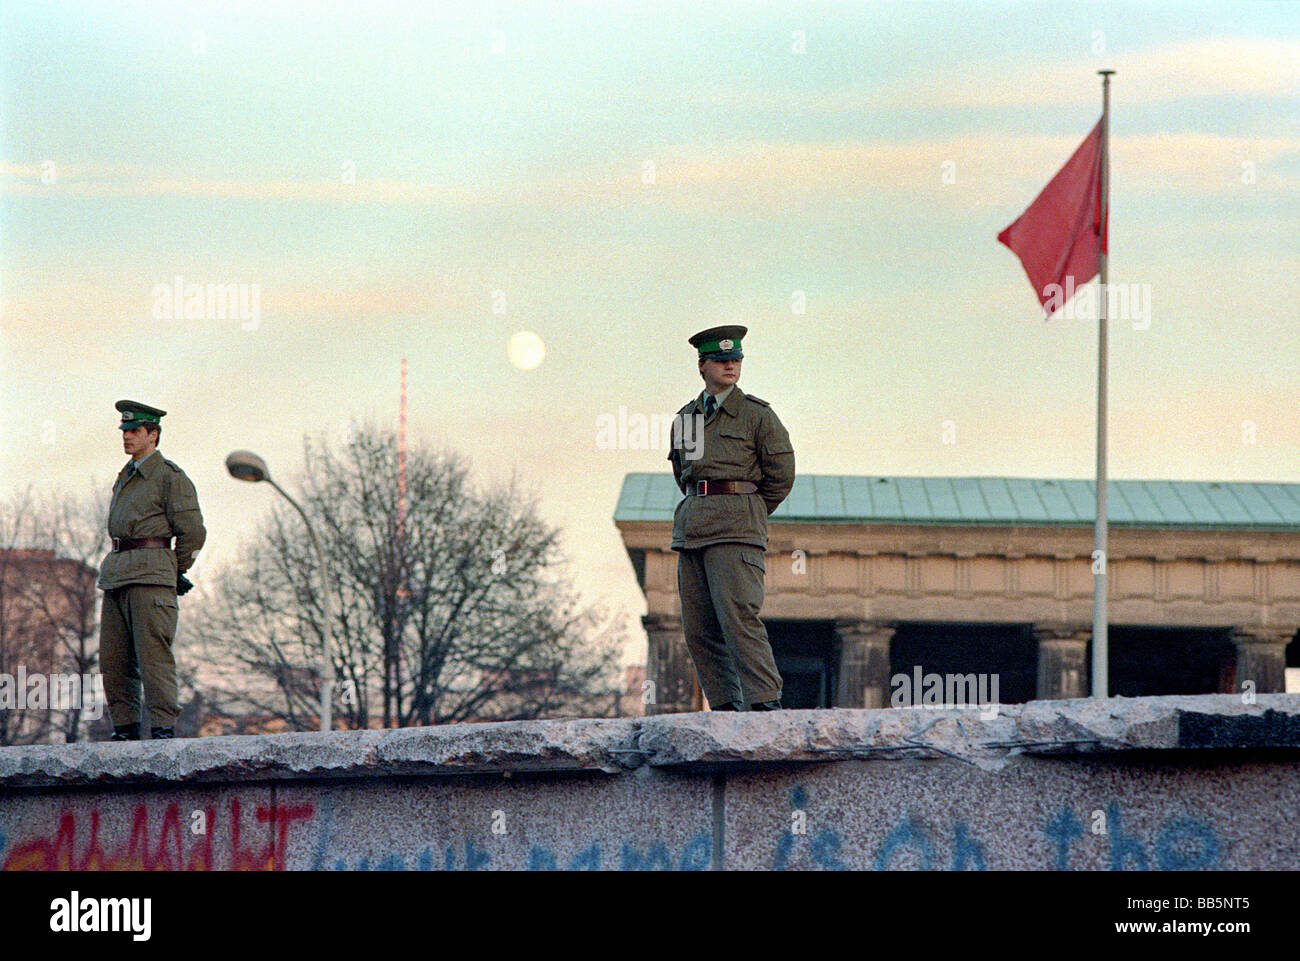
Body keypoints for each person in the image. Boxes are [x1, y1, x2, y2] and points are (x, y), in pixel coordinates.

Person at [667, 326, 795, 711]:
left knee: (739, 619)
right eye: (722, 361)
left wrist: (746, 510)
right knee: (699, 630)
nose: (730, 366)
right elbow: (684, 477)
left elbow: (781, 477)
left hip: (736, 531)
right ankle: (725, 707)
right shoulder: (686, 419)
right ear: (702, 366)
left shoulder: (757, 415)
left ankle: (764, 704)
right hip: (692, 531)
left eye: (736, 360)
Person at [98, 400, 206, 740]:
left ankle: (162, 726)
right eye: (125, 431)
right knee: (114, 660)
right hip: (117, 573)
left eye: (134, 431)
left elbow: (193, 532)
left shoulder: (169, 477)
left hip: (151, 574)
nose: (127, 437)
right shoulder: (126, 476)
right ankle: (125, 726)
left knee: (153, 655)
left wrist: (174, 570)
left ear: (153, 435)